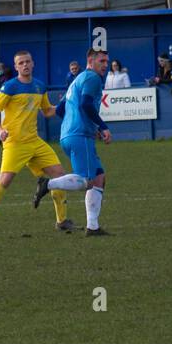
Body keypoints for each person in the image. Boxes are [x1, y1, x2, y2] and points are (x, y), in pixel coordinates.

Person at [0, 50, 75, 234]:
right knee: (4, 181)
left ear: (33, 63)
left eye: (28, 61)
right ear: (16, 67)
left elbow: (47, 111)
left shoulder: (39, 86)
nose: (25, 65)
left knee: (60, 176)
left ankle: (61, 221)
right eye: (21, 63)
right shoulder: (10, 87)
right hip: (15, 143)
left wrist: (66, 105)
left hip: (35, 141)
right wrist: (0, 130)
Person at [43, 47, 115, 236]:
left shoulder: (77, 80)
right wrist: (102, 126)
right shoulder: (92, 78)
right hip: (79, 135)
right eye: (102, 61)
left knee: (99, 178)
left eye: (107, 62)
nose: (105, 66)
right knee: (86, 181)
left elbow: (59, 111)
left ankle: (93, 226)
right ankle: (46, 185)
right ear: (90, 61)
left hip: (71, 135)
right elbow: (85, 104)